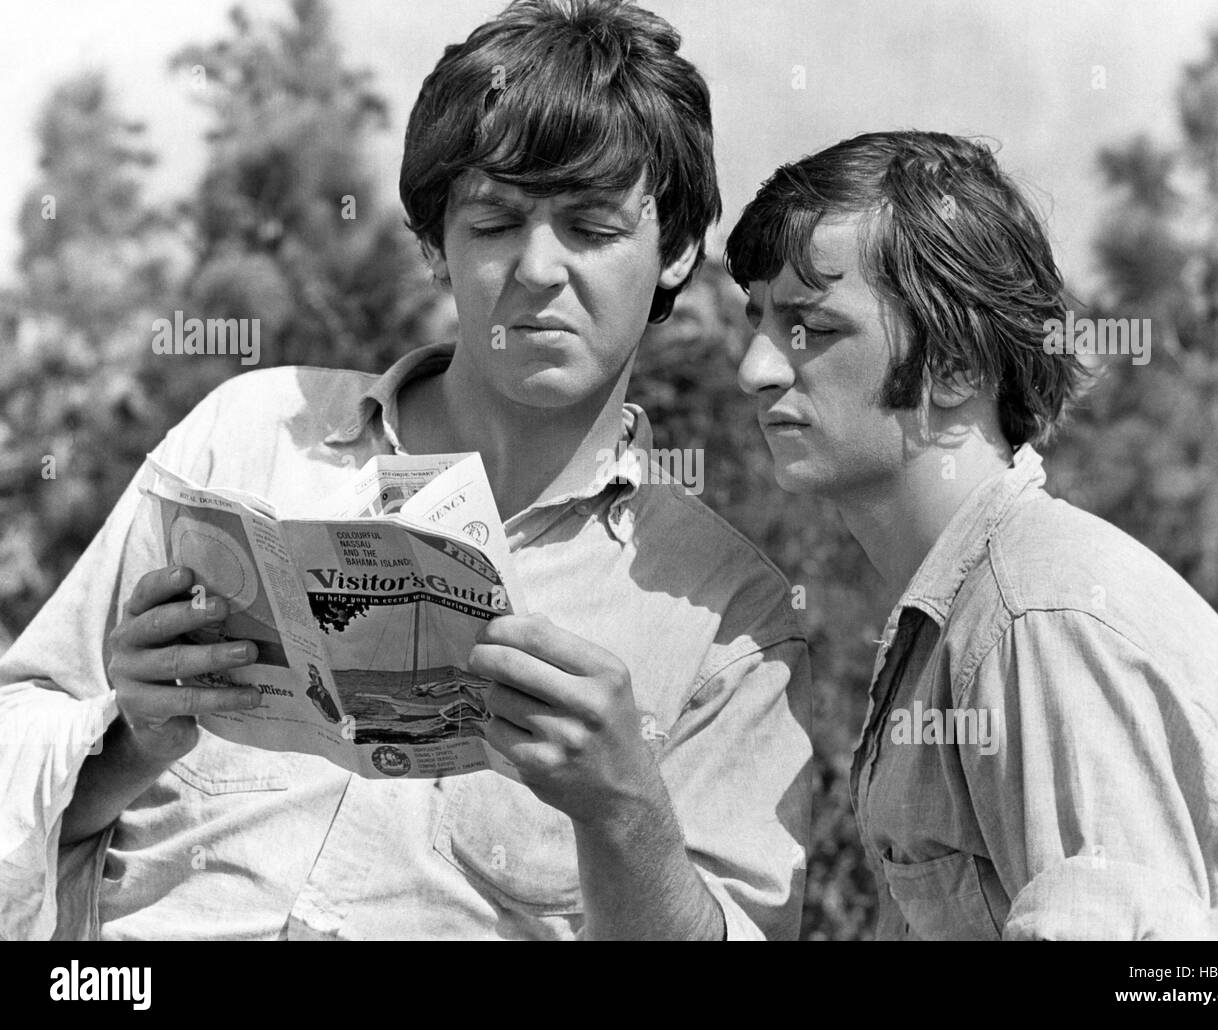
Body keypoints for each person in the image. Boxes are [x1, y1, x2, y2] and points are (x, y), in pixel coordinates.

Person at [0, 0, 811, 941]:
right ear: (435, 246)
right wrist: (126, 737)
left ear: (673, 253)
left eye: (591, 227)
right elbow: (23, 740)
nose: (539, 269)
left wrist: (623, 808)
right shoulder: (245, 438)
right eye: (496, 221)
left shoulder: (729, 624)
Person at [725, 130, 1218, 940]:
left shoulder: (1038, 619)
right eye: (757, 322)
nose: (756, 368)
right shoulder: (974, 607)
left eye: (810, 328)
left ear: (957, 363)